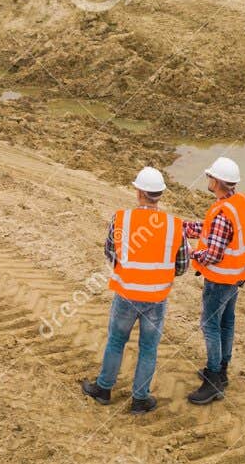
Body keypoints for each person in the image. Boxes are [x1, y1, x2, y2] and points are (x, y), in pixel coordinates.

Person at [81, 166, 189, 415]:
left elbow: (110, 252)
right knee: (148, 348)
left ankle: (104, 389)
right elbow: (182, 265)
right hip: (156, 297)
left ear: (139, 192)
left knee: (116, 341)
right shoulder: (175, 225)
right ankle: (140, 398)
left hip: (126, 293)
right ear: (160, 194)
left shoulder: (122, 219)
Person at [184, 156, 245, 405]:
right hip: (236, 277)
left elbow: (213, 254)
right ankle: (222, 370)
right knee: (227, 323)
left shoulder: (224, 212)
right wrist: (185, 227)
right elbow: (213, 230)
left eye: (210, 176)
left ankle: (213, 380)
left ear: (219, 181)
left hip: (220, 280)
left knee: (210, 325)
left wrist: (190, 253)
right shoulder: (238, 202)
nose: (208, 180)